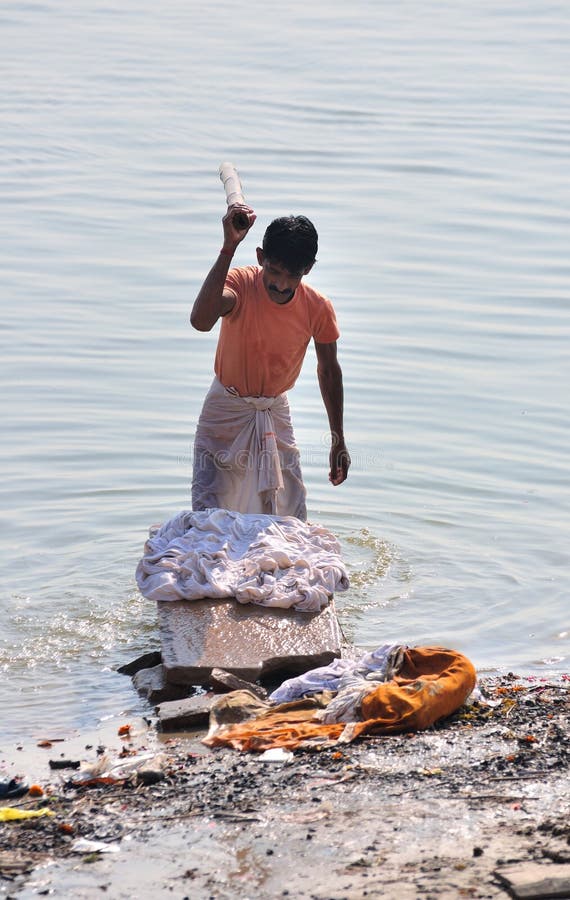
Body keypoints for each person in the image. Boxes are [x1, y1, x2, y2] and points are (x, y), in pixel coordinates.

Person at [190, 202, 350, 521]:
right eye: (274, 272)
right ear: (261, 258)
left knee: (288, 517)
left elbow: (329, 371)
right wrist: (229, 247)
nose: (280, 284)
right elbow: (201, 320)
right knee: (209, 515)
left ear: (308, 269)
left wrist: (338, 439)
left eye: (292, 276)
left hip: (274, 413)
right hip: (226, 410)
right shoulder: (241, 284)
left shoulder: (317, 307)